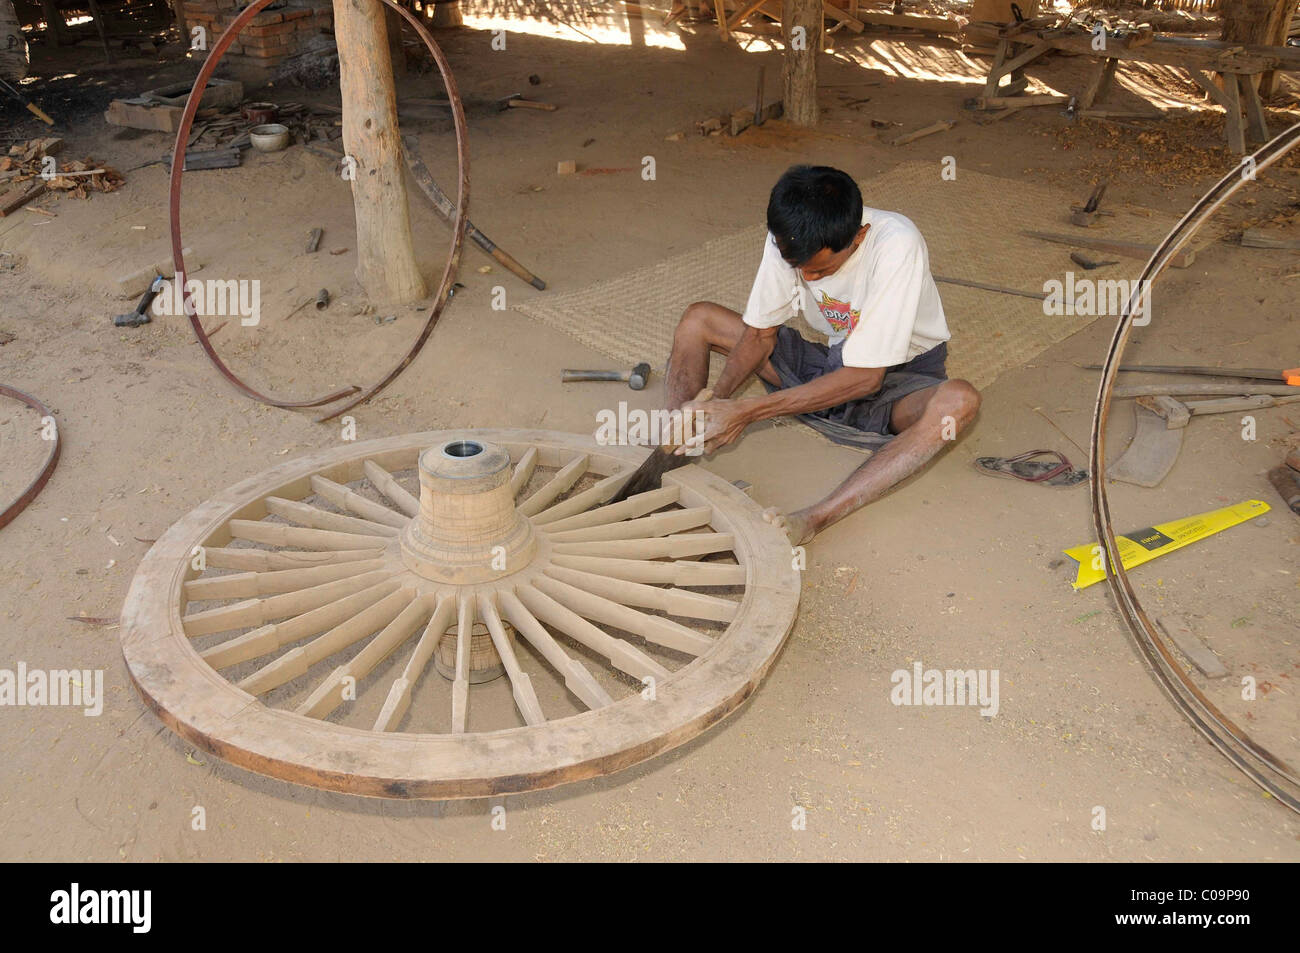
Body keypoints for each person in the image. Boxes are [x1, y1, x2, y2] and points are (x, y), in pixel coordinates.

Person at [664, 164, 980, 545]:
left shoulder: (898, 245)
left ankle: (814, 519)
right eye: (800, 268)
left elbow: (867, 378)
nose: (809, 278)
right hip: (828, 369)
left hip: (897, 384)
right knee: (698, 319)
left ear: (859, 236)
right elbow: (760, 335)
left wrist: (746, 412)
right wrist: (717, 402)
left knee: (959, 401)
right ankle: (676, 439)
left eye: (822, 269)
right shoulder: (788, 236)